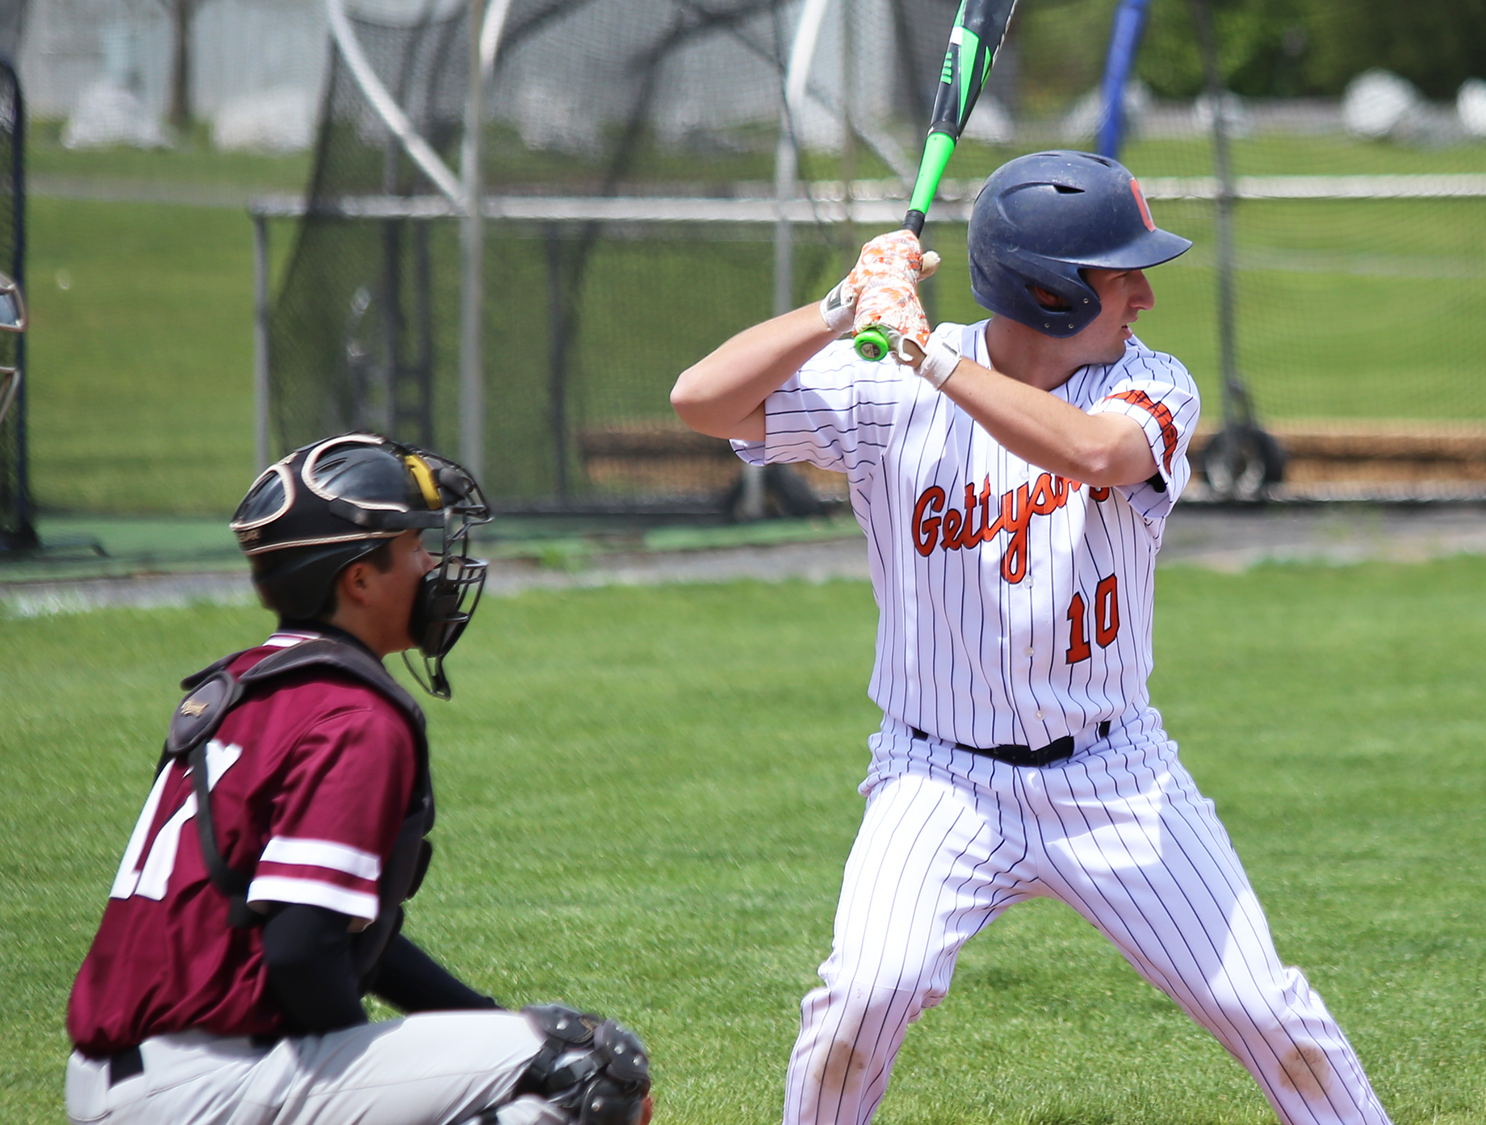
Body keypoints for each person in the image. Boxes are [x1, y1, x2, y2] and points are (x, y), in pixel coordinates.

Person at [671, 150, 1393, 1125]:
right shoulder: (884, 385)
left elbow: (1095, 453)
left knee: (1265, 1010)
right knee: (860, 1000)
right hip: (939, 782)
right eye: (1115, 272)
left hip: (1115, 782)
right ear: (1047, 291)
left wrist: (926, 355)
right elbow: (699, 400)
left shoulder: (1150, 383)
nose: (1141, 294)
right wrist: (842, 305)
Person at [63, 433, 653, 1125]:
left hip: (143, 1079)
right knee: (591, 1069)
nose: (433, 563)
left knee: (525, 1049)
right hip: (204, 1087)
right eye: (413, 546)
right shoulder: (351, 713)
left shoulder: (249, 683)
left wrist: (483, 1025)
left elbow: (329, 929)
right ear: (360, 580)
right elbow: (300, 950)